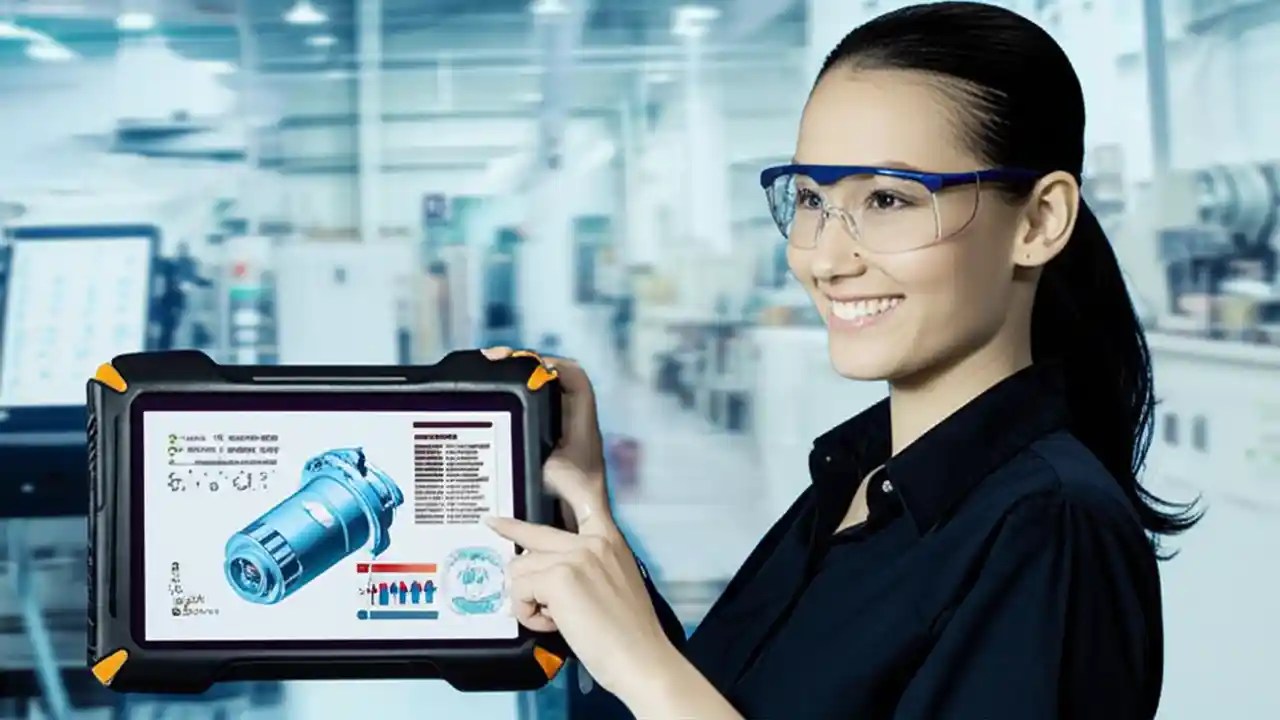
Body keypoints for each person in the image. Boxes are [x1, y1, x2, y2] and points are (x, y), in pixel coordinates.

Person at [482, 3, 1201, 718]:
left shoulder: (1051, 531)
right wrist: (590, 529)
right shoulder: (862, 476)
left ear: (1040, 221)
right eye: (809, 198)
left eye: (888, 198)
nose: (824, 257)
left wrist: (644, 669)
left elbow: (675, 699)